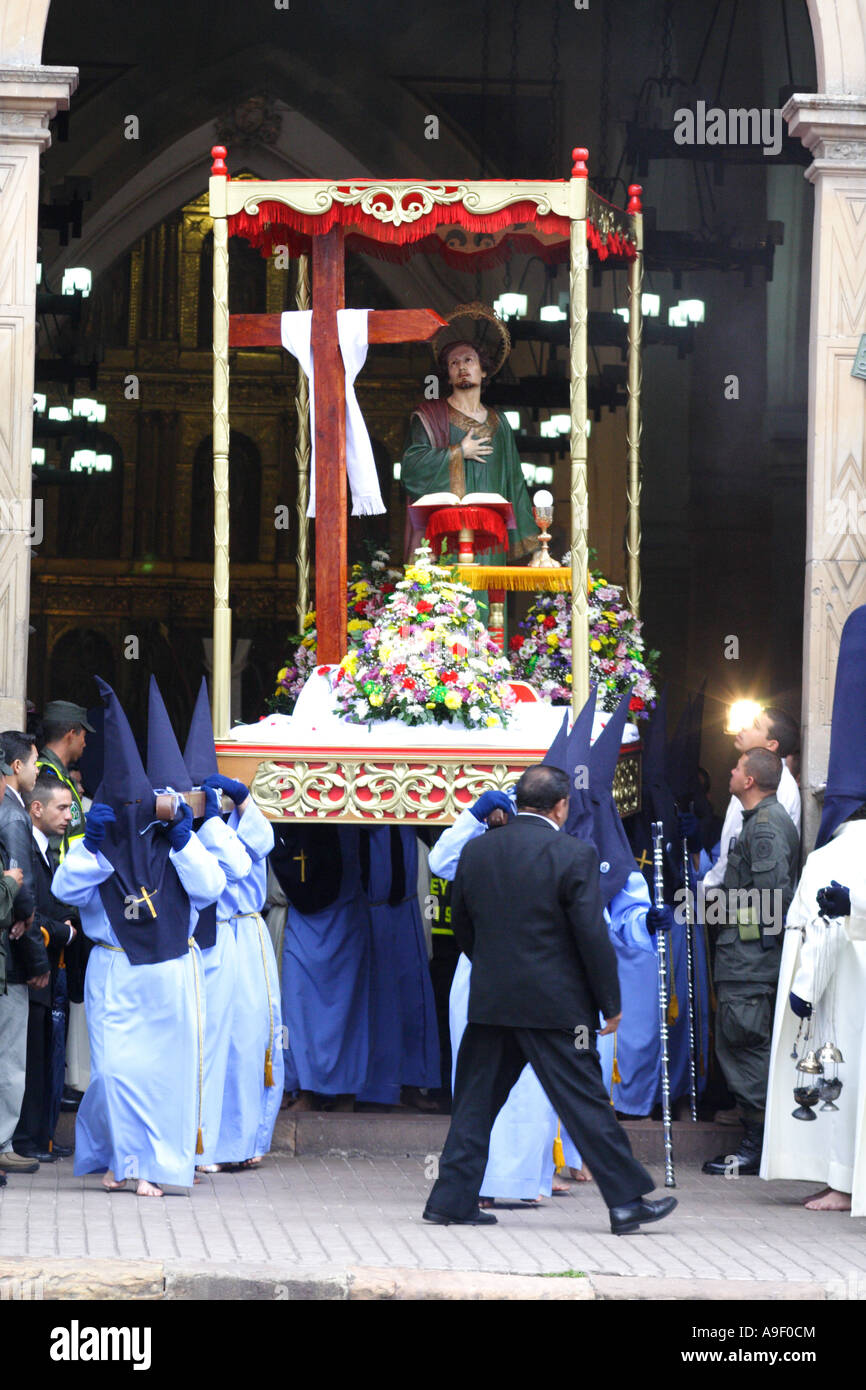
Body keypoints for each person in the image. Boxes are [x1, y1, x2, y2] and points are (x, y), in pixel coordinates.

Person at [423, 763, 677, 1235]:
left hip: (493, 1000)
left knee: (474, 1105)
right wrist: (610, 1001)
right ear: (562, 806)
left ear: (518, 801)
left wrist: (494, 967)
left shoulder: (477, 851)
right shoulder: (573, 854)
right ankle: (626, 1203)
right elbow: (590, 934)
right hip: (553, 1007)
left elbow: (461, 924)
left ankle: (450, 1199)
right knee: (585, 1102)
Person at [52, 679, 226, 1198]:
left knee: (162, 1077)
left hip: (169, 975)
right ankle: (125, 1161)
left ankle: (155, 1162)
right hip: (116, 971)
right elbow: (64, 887)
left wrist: (186, 844)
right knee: (117, 1073)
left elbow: (211, 887)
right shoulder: (100, 850)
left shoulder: (172, 847)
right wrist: (91, 845)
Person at [761, 605, 866, 1214]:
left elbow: (823, 929)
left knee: (831, 1082)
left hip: (833, 995)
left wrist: (802, 991)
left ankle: (840, 1183)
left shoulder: (831, 857)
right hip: (845, 985)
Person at [701, 747, 800, 1176]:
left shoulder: (765, 829)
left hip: (749, 963)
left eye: (737, 767)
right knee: (739, 1045)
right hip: (742, 960)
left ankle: (756, 1144)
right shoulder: (755, 822)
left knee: (744, 1047)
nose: (731, 769)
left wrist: (716, 909)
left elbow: (767, 905)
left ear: (750, 781)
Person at [400, 305, 537, 575]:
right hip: (444, 537)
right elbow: (410, 469)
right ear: (448, 375)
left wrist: (534, 547)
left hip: (489, 541)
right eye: (454, 363)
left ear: (483, 371)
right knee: (445, 610)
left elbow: (515, 482)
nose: (462, 367)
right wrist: (457, 452)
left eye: (469, 361)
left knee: (488, 607)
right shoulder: (430, 416)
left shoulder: (500, 423)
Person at [275, 824, 371, 1111]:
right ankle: (305, 1090)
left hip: (345, 919)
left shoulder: (352, 822)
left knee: (349, 1011)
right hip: (302, 924)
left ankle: (346, 1093)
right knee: (297, 1010)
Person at [12, 774, 78, 1162]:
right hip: (34, 968)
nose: (69, 816)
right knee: (32, 1060)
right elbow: (30, 912)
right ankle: (27, 1139)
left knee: (47, 1058)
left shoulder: (48, 849)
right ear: (36, 809)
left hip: (52, 967)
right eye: (62, 808)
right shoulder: (27, 850)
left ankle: (42, 1136)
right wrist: (63, 932)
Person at [0, 751, 43, 1179]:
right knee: (10, 1055)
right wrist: (36, 955)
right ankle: (3, 1141)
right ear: (15, 766)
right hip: (9, 958)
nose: (36, 772)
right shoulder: (13, 815)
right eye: (32, 763)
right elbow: (20, 884)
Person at [702, 707, 801, 891]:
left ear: (771, 745)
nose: (744, 728)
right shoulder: (754, 777)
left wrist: (711, 886)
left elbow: (756, 856)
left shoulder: (779, 785)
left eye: (755, 726)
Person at [36, 700, 93, 853]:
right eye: (84, 736)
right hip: (59, 874)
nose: (84, 744)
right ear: (72, 735)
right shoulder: (47, 775)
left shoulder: (61, 774)